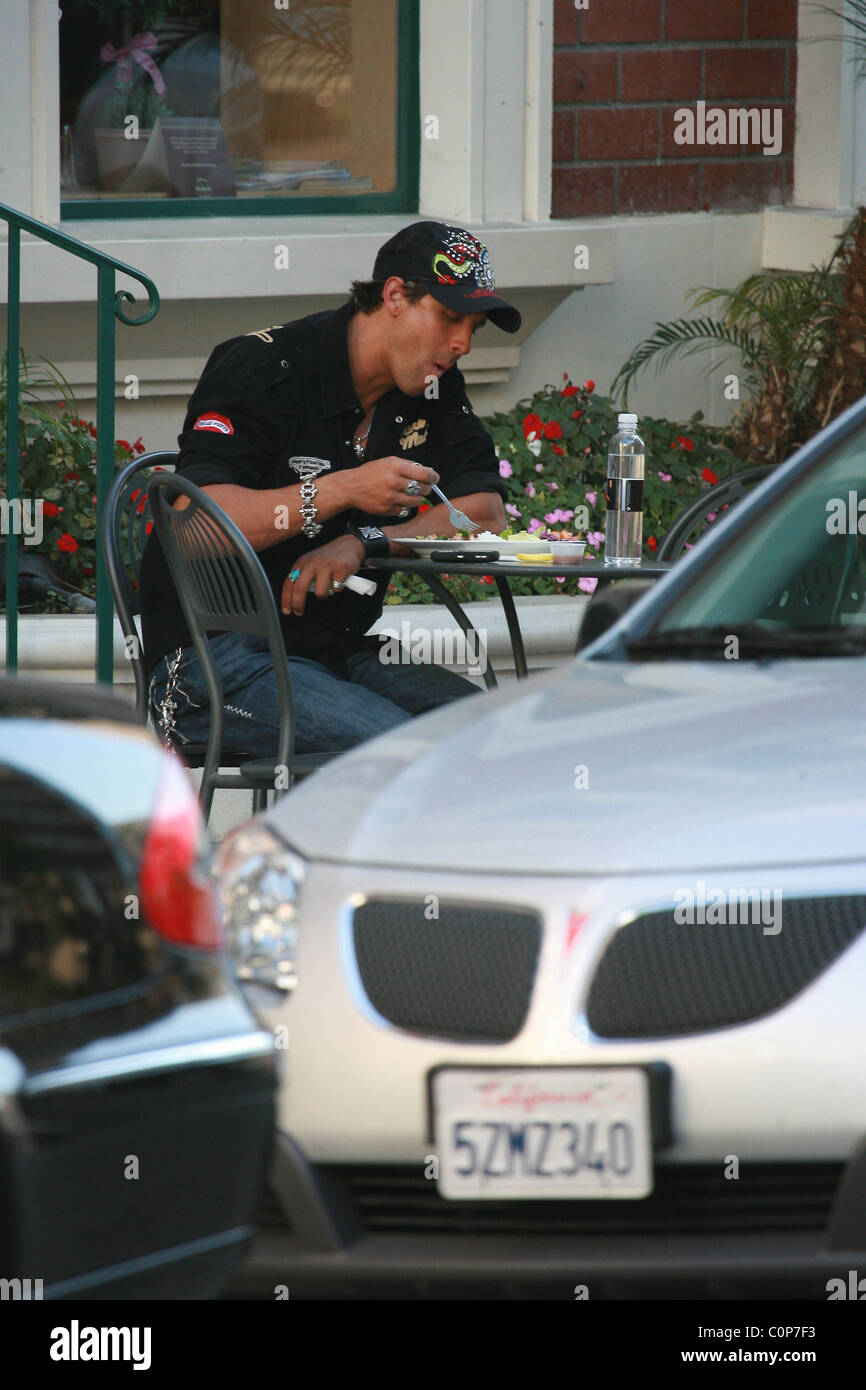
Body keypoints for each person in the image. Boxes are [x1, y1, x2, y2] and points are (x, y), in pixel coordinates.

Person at [141, 221, 521, 758]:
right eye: (449, 316)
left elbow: (483, 511)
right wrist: (341, 489)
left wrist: (365, 541)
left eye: (473, 327)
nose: (461, 343)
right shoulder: (262, 367)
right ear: (394, 295)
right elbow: (195, 529)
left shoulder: (433, 384)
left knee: (501, 737)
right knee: (401, 753)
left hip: (339, 655)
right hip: (210, 663)